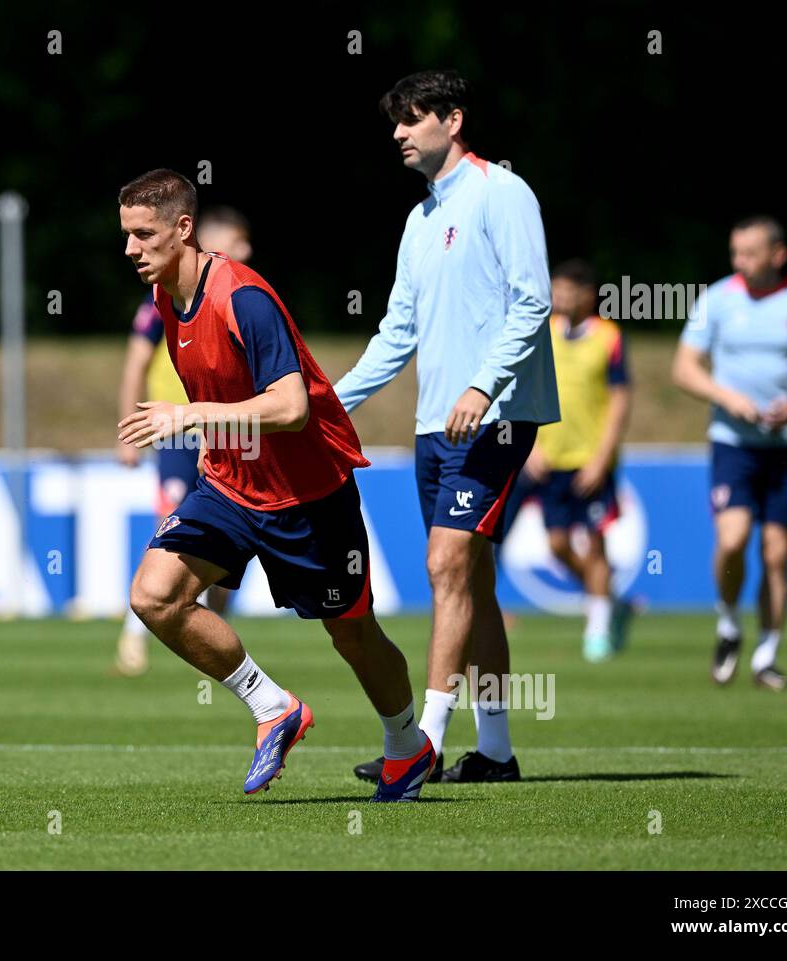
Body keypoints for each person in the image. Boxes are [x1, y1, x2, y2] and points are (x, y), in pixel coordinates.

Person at [117, 168, 435, 800]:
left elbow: (290, 407)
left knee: (352, 631)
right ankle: (274, 708)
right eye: (126, 235)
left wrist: (190, 417)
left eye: (144, 234)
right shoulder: (162, 296)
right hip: (230, 486)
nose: (131, 249)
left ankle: (407, 744)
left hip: (308, 495)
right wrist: (208, 435)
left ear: (183, 229)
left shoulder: (244, 296)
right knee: (154, 598)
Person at [334, 70, 559, 785]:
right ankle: (495, 752)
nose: (399, 133)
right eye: (394, 122)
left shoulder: (503, 193)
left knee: (444, 565)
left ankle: (419, 746)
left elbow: (534, 302)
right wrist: (329, 406)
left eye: (413, 118)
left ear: (452, 120)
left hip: (493, 418)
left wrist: (481, 384)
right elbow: (396, 333)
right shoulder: (420, 219)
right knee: (474, 579)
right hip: (436, 426)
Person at [672, 216, 787, 690]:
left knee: (777, 553)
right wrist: (730, 400)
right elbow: (684, 368)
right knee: (732, 540)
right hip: (733, 443)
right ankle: (729, 623)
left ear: (777, 255)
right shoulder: (718, 299)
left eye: (749, 252)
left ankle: (766, 654)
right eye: (735, 252)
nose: (740, 262)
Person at [112, 208, 253, 676]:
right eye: (239, 242)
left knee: (226, 552)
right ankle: (137, 632)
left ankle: (213, 643)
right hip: (174, 433)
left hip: (225, 431)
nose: (247, 251)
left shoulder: (236, 296)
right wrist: (129, 429)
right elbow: (135, 363)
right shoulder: (161, 300)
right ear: (211, 241)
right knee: (171, 529)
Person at [522, 259, 634, 661]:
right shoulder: (541, 334)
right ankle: (612, 602)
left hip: (591, 461)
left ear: (588, 295)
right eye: (557, 290)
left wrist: (601, 459)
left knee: (597, 542)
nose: (561, 298)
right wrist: (531, 447)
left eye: (569, 291)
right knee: (556, 545)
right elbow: (524, 392)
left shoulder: (608, 337)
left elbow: (620, 401)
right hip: (550, 459)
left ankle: (598, 631)